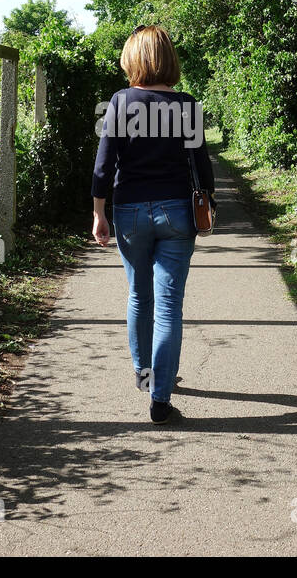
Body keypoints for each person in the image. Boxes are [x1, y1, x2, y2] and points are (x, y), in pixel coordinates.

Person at [91, 25, 214, 425]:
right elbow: (202, 166)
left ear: (133, 59)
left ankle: (144, 374)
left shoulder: (120, 102)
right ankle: (160, 400)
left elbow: (104, 166)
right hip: (177, 212)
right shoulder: (187, 105)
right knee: (169, 307)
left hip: (128, 213)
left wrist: (99, 213)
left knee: (139, 297)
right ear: (168, 60)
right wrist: (207, 204)